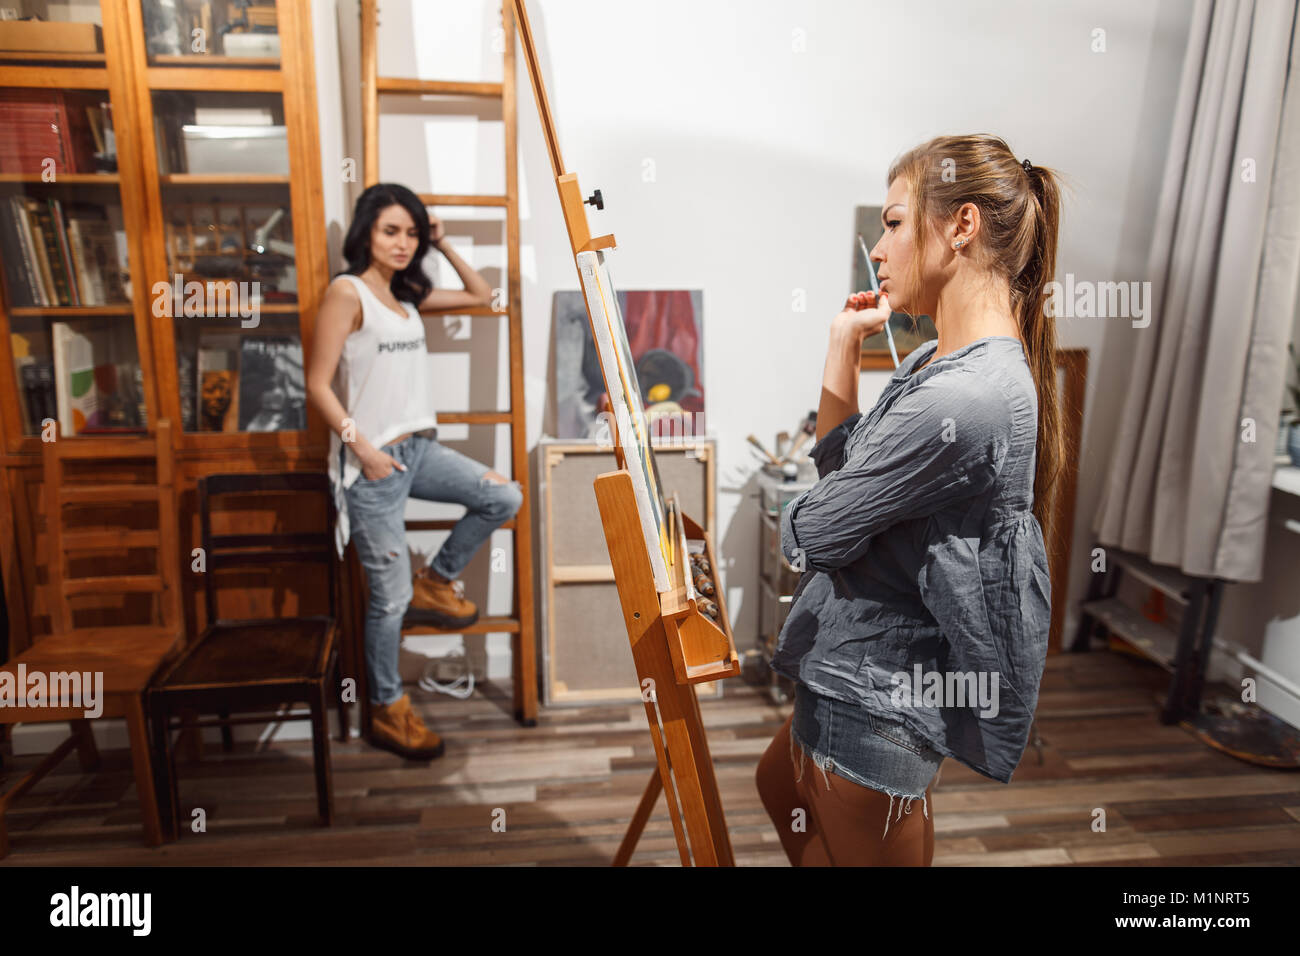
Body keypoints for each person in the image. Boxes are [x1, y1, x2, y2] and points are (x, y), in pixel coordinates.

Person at [756, 134, 1061, 865]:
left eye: (893, 223)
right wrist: (842, 343)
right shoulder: (935, 360)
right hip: (849, 662)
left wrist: (805, 520)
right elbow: (841, 470)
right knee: (781, 790)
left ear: (961, 226)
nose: (879, 248)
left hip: (879, 696)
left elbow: (816, 533)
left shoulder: (968, 397)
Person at [306, 182, 523, 761]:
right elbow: (317, 385)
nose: (402, 243)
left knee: (503, 497)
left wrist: (443, 244)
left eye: (411, 232)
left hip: (418, 450)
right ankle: (387, 710)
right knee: (388, 602)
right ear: (366, 233)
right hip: (372, 467)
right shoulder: (347, 293)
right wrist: (364, 450)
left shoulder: (406, 298)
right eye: (390, 231)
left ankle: (439, 580)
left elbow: (483, 295)